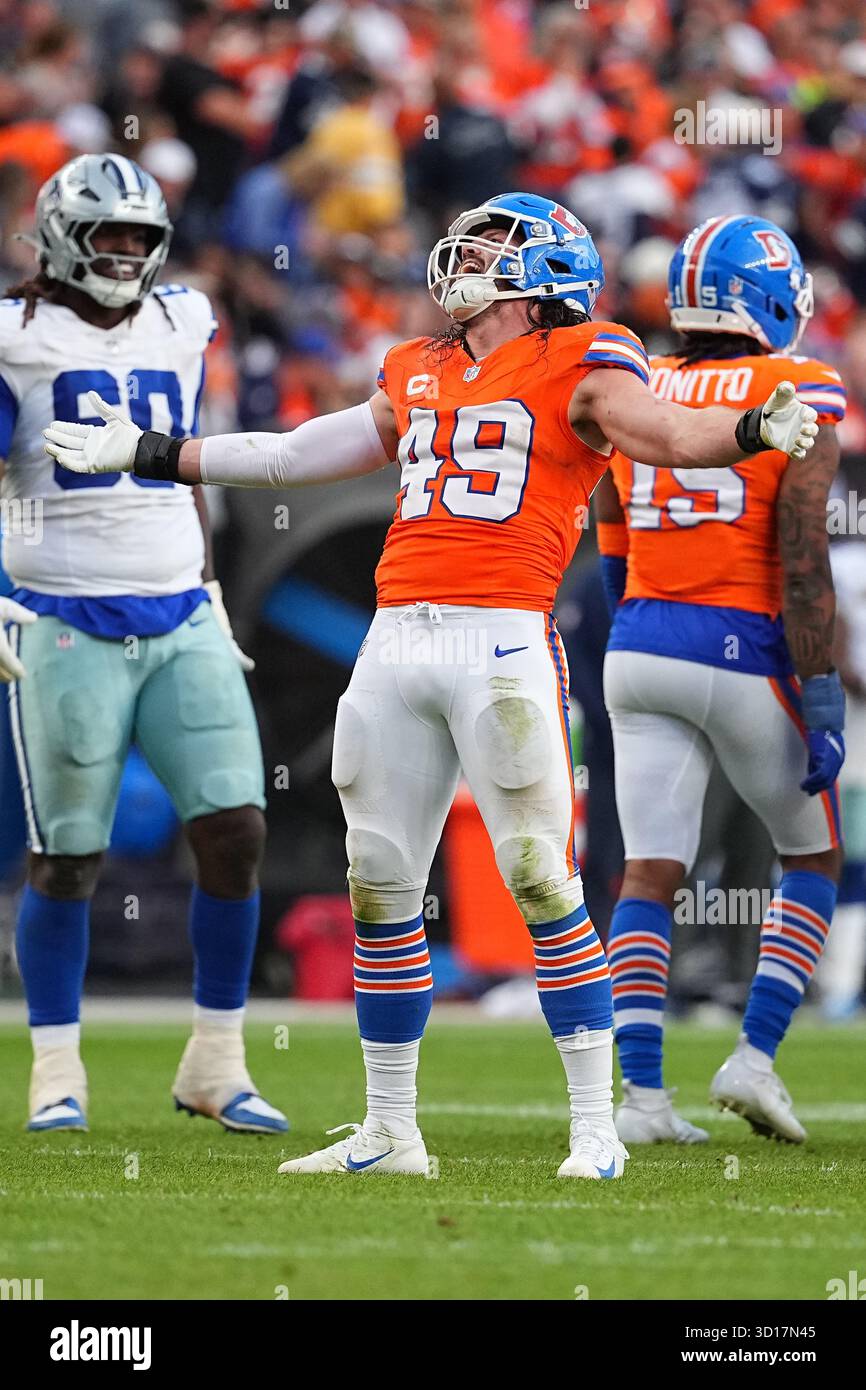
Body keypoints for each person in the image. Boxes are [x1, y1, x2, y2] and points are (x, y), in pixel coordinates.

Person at [45, 192, 819, 1180]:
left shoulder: (585, 355)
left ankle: (593, 1124)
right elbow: (293, 452)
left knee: (541, 875)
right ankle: (388, 1129)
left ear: (545, 275)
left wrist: (749, 427)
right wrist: (152, 453)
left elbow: (663, 434)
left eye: (495, 245)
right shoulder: (417, 367)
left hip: (499, 639)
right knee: (378, 888)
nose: (468, 256)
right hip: (393, 641)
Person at [1, 153, 286, 1136]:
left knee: (236, 828)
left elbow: (188, 460)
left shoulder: (186, 319)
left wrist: (206, 578)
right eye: (108, 237)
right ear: (62, 236)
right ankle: (55, 1070)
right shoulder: (17, 336)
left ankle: (217, 1060)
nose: (126, 255)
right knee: (68, 856)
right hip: (64, 615)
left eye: (139, 238)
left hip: (180, 608)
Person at [595, 215, 845, 1145]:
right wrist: (818, 687)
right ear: (771, 300)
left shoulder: (639, 386)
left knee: (650, 871)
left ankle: (643, 1098)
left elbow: (612, 532)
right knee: (815, 854)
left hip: (639, 640)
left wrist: (637, 619)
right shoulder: (799, 383)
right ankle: (755, 1057)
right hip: (741, 647)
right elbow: (803, 548)